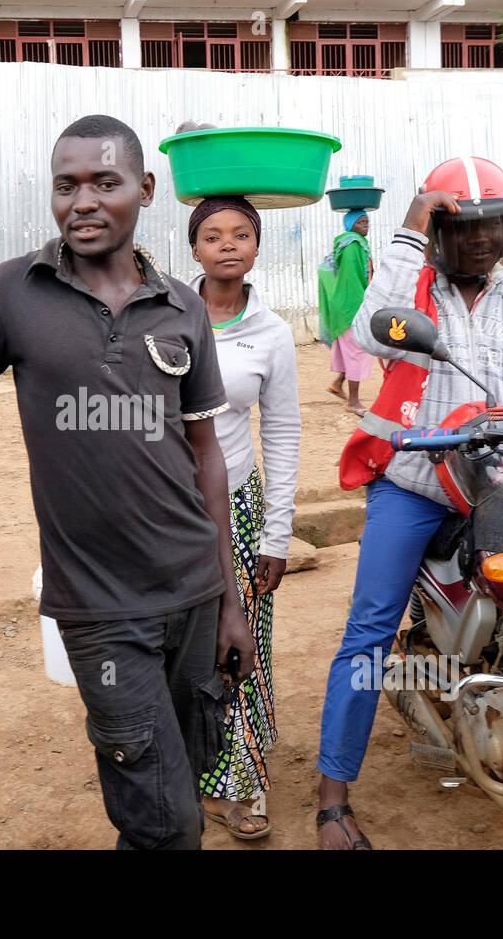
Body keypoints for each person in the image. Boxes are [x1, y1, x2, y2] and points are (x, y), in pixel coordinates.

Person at [0, 115, 256, 850]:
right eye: (65, 186)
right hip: (99, 607)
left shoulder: (182, 307)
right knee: (163, 817)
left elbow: (206, 454)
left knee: (182, 786)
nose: (83, 202)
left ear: (144, 189)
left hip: (195, 593)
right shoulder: (13, 293)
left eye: (104, 183)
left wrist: (231, 598)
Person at [317, 157, 503, 849]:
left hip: (501, 485)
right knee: (368, 633)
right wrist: (407, 229)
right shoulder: (415, 292)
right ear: (437, 233)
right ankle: (333, 797)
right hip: (415, 486)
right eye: (462, 228)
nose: (481, 240)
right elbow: (370, 333)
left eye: (493, 225)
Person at [186, 196, 301, 840]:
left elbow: (282, 432)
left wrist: (277, 533)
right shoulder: (166, 316)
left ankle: (245, 783)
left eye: (241, 234)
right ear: (194, 248)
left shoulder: (272, 332)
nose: (227, 244)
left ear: (257, 247)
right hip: (166, 509)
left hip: (239, 508)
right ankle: (187, 767)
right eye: (212, 234)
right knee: (177, 641)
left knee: (240, 643)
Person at [320, 209, 374, 416]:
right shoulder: (352, 245)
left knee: (348, 349)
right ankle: (353, 401)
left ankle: (337, 383)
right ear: (350, 224)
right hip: (351, 304)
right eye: (361, 222)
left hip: (343, 304)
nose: (366, 225)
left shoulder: (353, 243)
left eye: (367, 221)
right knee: (357, 350)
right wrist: (364, 304)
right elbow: (352, 280)